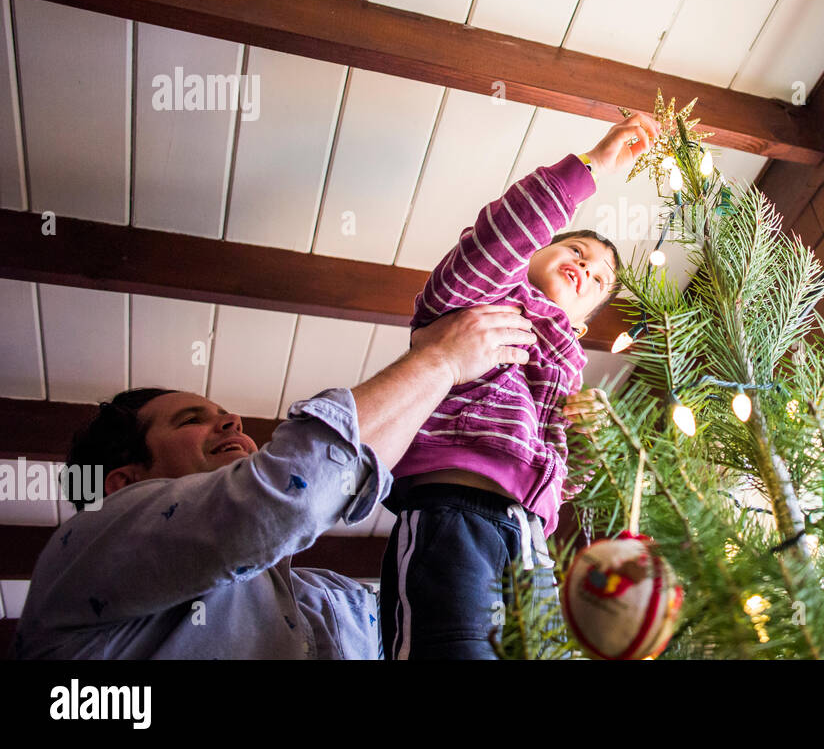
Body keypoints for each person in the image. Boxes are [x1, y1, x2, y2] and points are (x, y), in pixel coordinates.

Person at [11, 304, 537, 659]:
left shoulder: (326, 599)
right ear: (122, 483)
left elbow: (450, 617)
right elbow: (291, 492)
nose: (232, 421)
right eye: (190, 419)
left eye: (223, 413)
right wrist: (439, 360)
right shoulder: (85, 553)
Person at [382, 111, 659, 659]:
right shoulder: (479, 302)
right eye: (575, 253)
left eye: (600, 279)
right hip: (454, 514)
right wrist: (594, 166)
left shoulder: (567, 366)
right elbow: (498, 241)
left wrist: (582, 443)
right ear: (532, 254)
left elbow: (564, 477)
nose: (587, 269)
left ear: (583, 322)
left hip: (532, 539)